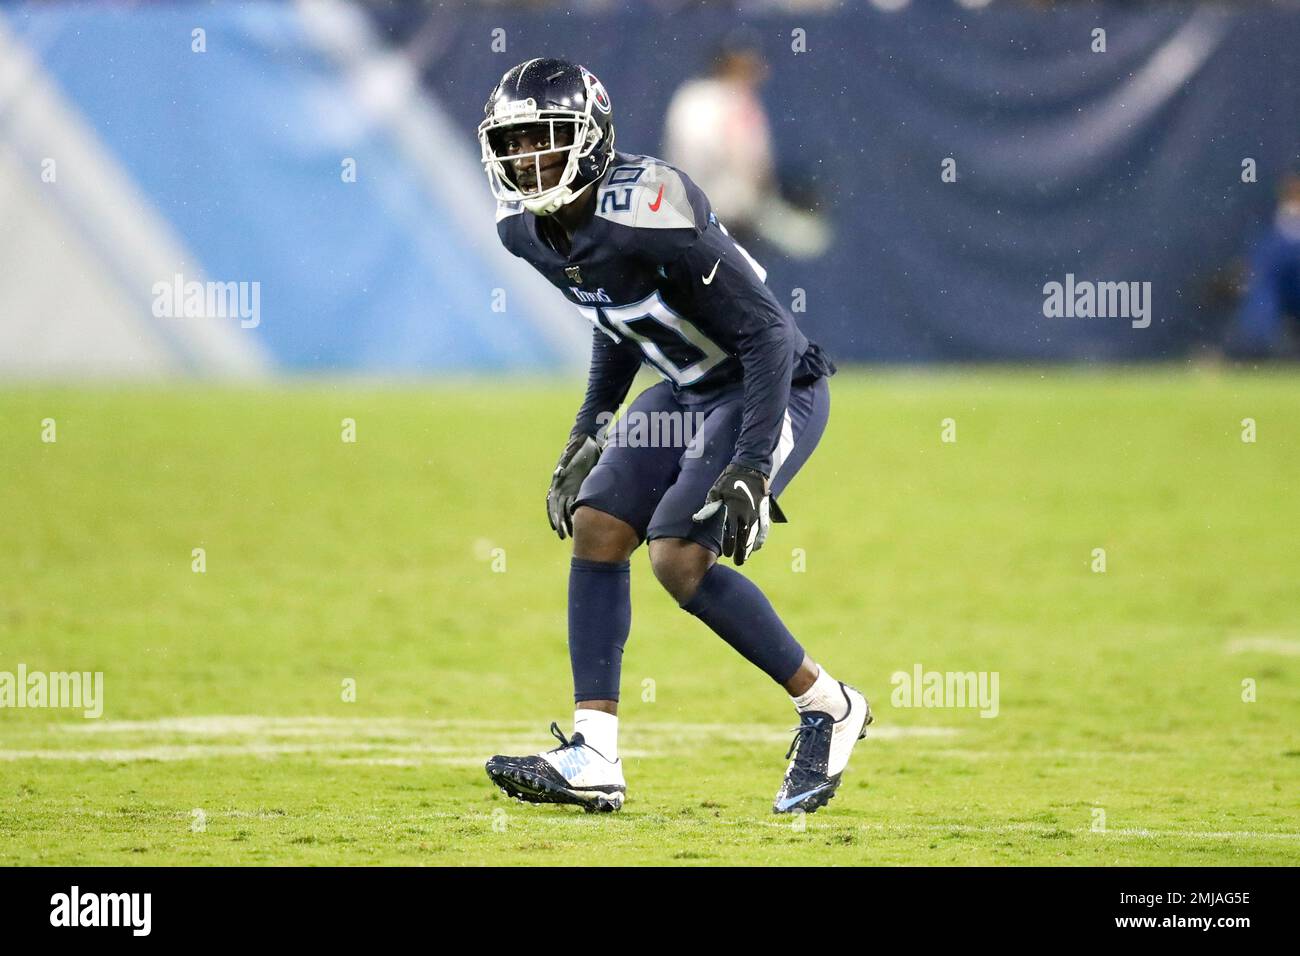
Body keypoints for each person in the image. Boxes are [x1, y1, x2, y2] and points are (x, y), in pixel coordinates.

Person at [477, 58, 869, 815]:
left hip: (770, 381)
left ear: (591, 140)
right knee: (596, 524)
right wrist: (589, 429)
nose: (526, 158)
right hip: (689, 387)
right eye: (514, 142)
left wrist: (753, 466)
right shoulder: (526, 231)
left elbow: (766, 338)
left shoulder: (648, 206)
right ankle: (594, 755)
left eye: (544, 139)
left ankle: (829, 705)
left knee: (678, 556)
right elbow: (616, 315)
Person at [1225, 171, 1300, 358]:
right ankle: (1255, 350)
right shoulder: (1269, 238)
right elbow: (1260, 276)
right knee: (1261, 294)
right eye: (1292, 192)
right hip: (1275, 292)